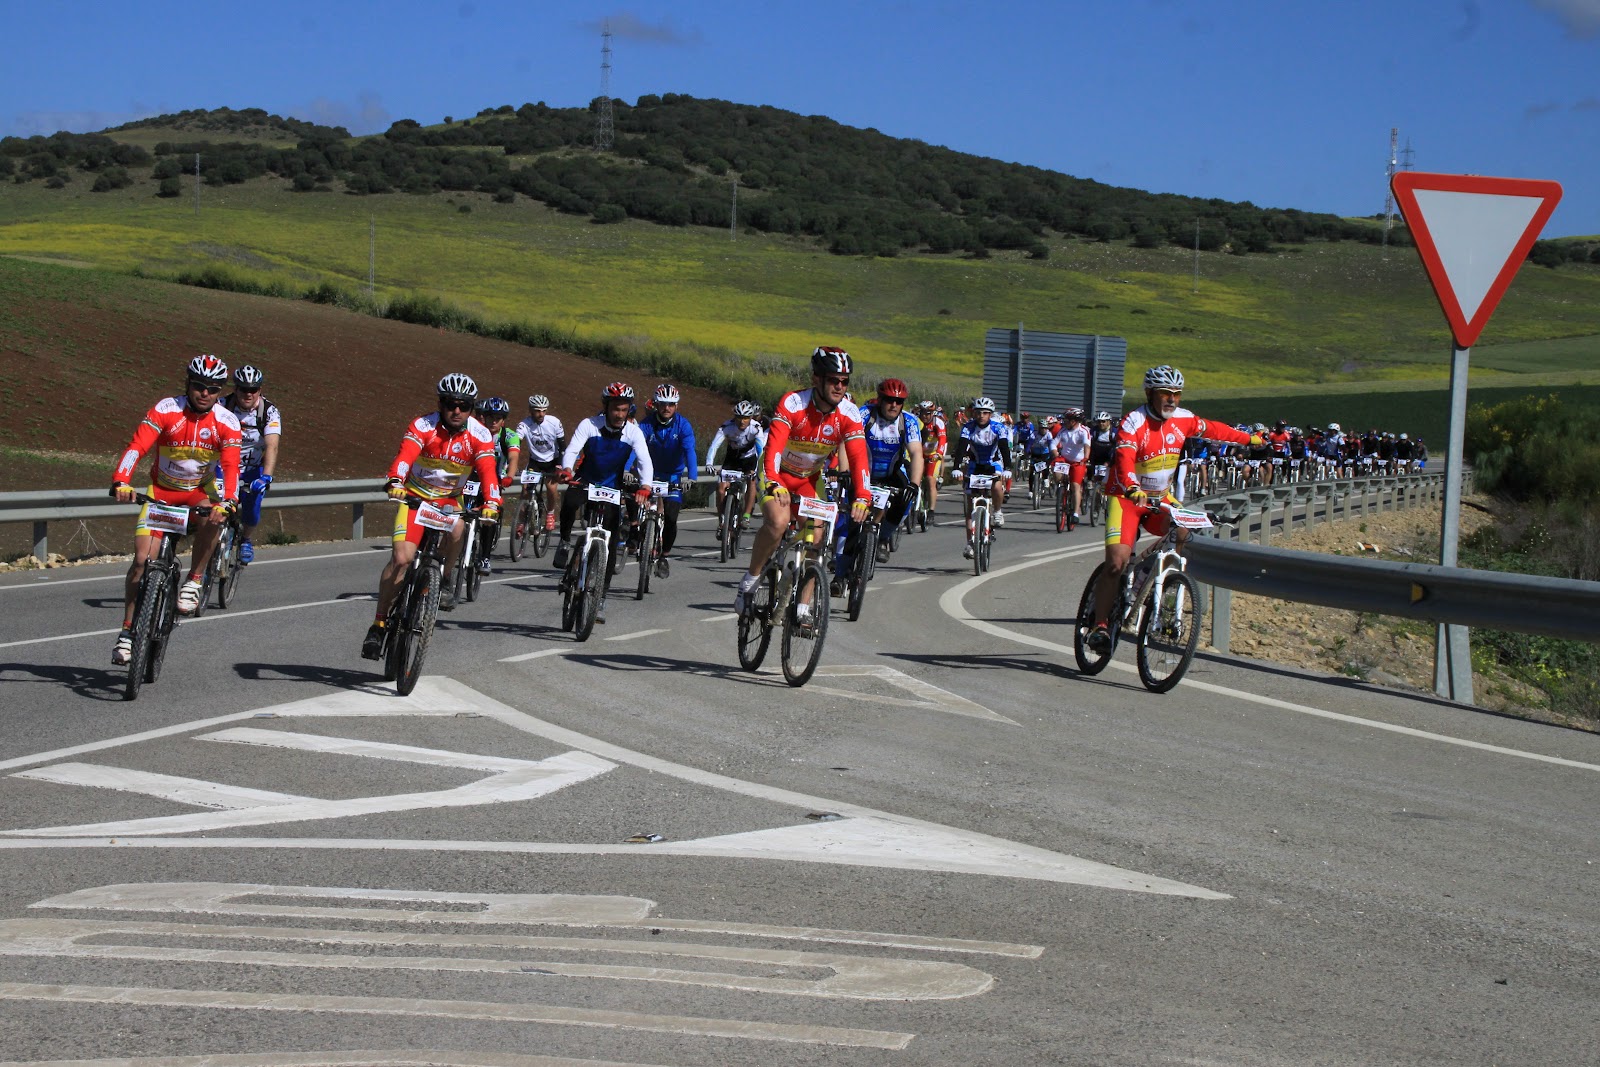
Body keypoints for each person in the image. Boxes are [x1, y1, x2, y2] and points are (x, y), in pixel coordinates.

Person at [1085, 365, 1261, 653]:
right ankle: (1100, 625)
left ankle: (1155, 582)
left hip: (1160, 498)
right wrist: (1132, 487)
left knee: (1183, 529)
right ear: (1150, 393)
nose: (1171, 400)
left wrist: (1249, 439)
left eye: (1176, 394)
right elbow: (1125, 458)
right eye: (1165, 394)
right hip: (1127, 497)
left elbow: (1215, 429)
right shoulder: (1134, 421)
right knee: (1116, 563)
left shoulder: (1183, 419)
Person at [110, 355, 243, 665]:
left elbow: (231, 468)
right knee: (142, 561)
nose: (204, 393)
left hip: (199, 492)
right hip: (162, 492)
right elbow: (137, 447)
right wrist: (121, 481)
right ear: (188, 384)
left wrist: (229, 502)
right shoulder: (166, 410)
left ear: (220, 391)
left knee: (217, 514)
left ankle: (194, 580)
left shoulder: (227, 422)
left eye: (213, 388)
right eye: (198, 386)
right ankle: (127, 632)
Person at [361, 374, 501, 660]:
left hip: (449, 501)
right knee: (401, 560)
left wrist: (493, 501)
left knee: (459, 528)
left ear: (472, 408)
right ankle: (379, 623)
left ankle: (446, 579)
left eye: (464, 406)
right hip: (415, 498)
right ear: (441, 403)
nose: (457, 411)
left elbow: (488, 472)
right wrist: (396, 480)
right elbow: (405, 456)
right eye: (451, 404)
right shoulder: (423, 425)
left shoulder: (480, 435)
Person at [734, 346, 871, 621]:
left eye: (845, 381)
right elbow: (773, 448)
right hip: (777, 473)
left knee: (817, 539)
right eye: (834, 380)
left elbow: (858, 458)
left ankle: (802, 608)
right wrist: (773, 482)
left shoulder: (850, 413)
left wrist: (863, 496)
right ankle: (749, 583)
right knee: (778, 522)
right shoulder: (793, 403)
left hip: (808, 478)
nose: (840, 387)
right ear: (816, 379)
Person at [554, 383, 654, 621]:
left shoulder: (633, 432)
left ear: (629, 409)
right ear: (606, 407)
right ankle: (566, 541)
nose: (620, 414)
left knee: (610, 545)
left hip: (612, 486)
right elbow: (572, 450)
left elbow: (645, 461)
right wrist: (567, 469)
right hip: (587, 479)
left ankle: (600, 598)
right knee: (569, 501)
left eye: (624, 409)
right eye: (615, 409)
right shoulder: (589, 425)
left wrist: (646, 486)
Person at [839, 377, 924, 581]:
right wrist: (844, 472)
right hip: (863, 471)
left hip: (891, 473)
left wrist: (914, 484)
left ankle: (884, 536)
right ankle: (842, 563)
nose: (893, 405)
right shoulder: (864, 414)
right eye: (888, 400)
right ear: (879, 399)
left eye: (899, 401)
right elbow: (845, 443)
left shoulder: (908, 421)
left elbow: (917, 454)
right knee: (850, 514)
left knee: (906, 498)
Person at [221, 364, 279, 564]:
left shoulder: (269, 412)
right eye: (243, 389)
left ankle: (245, 539)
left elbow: (271, 446)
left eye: (253, 389)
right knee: (216, 504)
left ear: (259, 390)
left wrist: (266, 476)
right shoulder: (221, 406)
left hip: (252, 468)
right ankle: (216, 539)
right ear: (235, 389)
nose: (248, 394)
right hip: (224, 467)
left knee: (252, 507)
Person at [637, 383, 698, 576]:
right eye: (663, 403)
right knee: (637, 507)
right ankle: (636, 537)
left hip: (673, 475)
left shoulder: (683, 425)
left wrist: (692, 477)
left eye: (671, 404)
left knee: (671, 517)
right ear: (656, 404)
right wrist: (627, 469)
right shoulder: (646, 424)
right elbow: (635, 448)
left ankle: (663, 555)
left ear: (676, 406)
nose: (667, 408)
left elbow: (689, 451)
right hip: (650, 474)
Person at [949, 397, 1011, 559]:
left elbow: (1004, 448)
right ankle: (970, 543)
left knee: (997, 487)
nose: (981, 416)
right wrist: (956, 468)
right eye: (978, 412)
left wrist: (1008, 468)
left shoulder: (999, 428)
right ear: (974, 413)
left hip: (993, 463)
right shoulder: (968, 427)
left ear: (990, 414)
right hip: (975, 464)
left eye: (985, 413)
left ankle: (997, 511)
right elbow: (962, 447)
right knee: (970, 507)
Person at [705, 400, 766, 537]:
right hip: (732, 459)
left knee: (751, 482)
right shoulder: (727, 427)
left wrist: (757, 469)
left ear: (751, 417)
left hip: (750, 460)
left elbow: (760, 450)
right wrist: (709, 463)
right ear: (734, 417)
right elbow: (714, 446)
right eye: (739, 417)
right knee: (721, 488)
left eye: (746, 418)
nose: (742, 421)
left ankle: (746, 516)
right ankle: (722, 520)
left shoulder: (756, 428)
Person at [471, 396, 516, 571]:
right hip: (471, 477)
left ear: (503, 420)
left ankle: (485, 557)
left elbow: (513, 457)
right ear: (484, 416)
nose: (493, 421)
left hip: (494, 479)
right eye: (490, 417)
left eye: (498, 418)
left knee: (489, 517)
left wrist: (510, 476)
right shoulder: (475, 431)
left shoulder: (509, 436)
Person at [511, 395, 565, 532]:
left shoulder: (554, 422)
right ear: (530, 410)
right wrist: (511, 462)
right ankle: (522, 521)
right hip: (535, 462)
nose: (541, 414)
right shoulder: (524, 424)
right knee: (525, 491)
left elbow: (562, 446)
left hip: (553, 461)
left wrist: (560, 465)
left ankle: (551, 514)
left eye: (544, 410)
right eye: (537, 410)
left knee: (551, 488)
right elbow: (516, 442)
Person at [1051, 408, 1092, 524]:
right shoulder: (1063, 431)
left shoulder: (1083, 431)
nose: (1065, 422)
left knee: (1075, 485)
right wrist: (1055, 454)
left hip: (1078, 462)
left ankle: (1075, 512)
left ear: (1074, 421)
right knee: (1057, 476)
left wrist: (1085, 458)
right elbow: (1053, 443)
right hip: (1064, 459)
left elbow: (1087, 445)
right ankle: (1061, 491)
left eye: (1067, 420)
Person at [916, 399, 947, 518]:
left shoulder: (937, 423)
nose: (925, 416)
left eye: (928, 413)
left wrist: (938, 453)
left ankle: (931, 511)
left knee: (930, 480)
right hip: (919, 453)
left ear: (932, 413)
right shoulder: (916, 421)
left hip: (933, 454)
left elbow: (943, 440)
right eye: (923, 413)